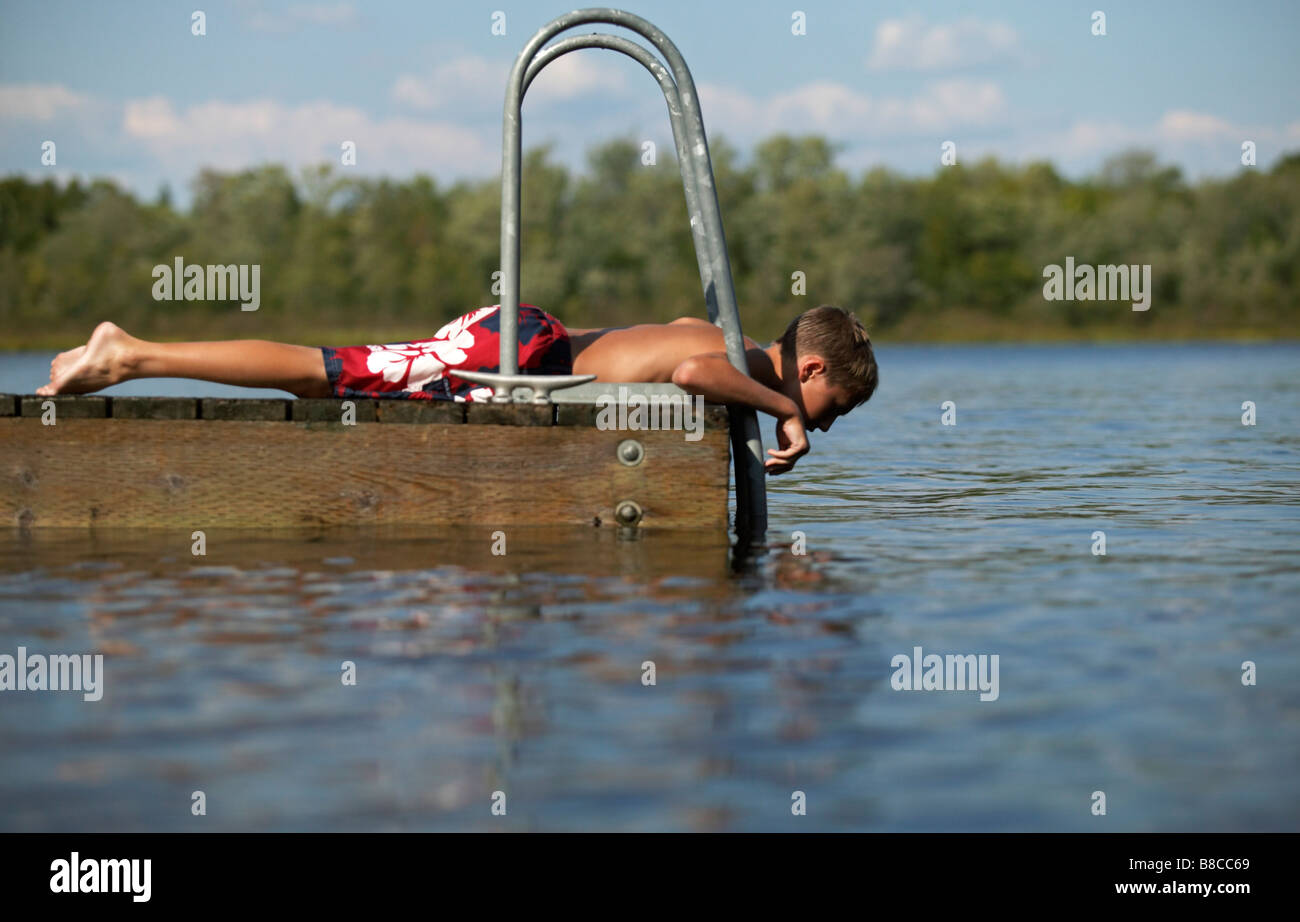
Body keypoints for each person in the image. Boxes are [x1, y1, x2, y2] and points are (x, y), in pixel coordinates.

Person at [36, 302, 878, 474]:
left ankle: (134, 354)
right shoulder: (724, 355)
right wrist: (782, 419)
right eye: (828, 410)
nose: (824, 428)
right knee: (322, 371)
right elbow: (695, 375)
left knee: (328, 382)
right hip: (520, 353)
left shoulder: (724, 349)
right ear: (808, 371)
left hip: (527, 353)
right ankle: (131, 353)